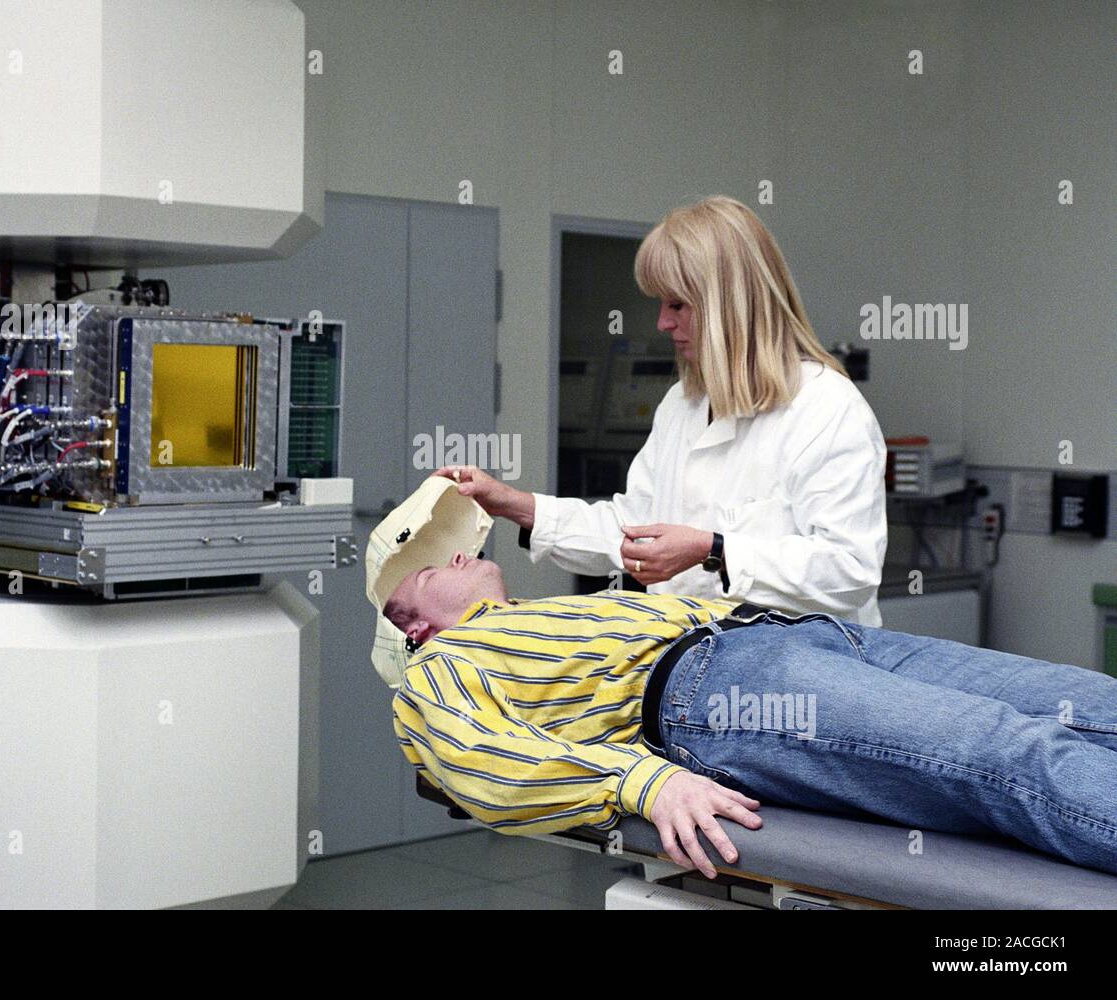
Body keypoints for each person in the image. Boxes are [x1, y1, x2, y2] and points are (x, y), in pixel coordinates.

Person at [377, 549, 1117, 879]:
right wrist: (642, 783)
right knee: (1003, 752)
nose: (463, 556)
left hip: (810, 633)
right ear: (415, 628)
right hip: (717, 691)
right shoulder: (443, 667)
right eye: (436, 568)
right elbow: (479, 760)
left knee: (1084, 699)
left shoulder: (550, 611)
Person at [439, 195, 888, 624]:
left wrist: (714, 549)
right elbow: (635, 528)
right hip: (695, 662)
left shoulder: (826, 407)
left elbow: (849, 570)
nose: (663, 322)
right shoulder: (684, 405)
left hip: (802, 680)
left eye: (677, 304)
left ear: (730, 305)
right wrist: (515, 505)